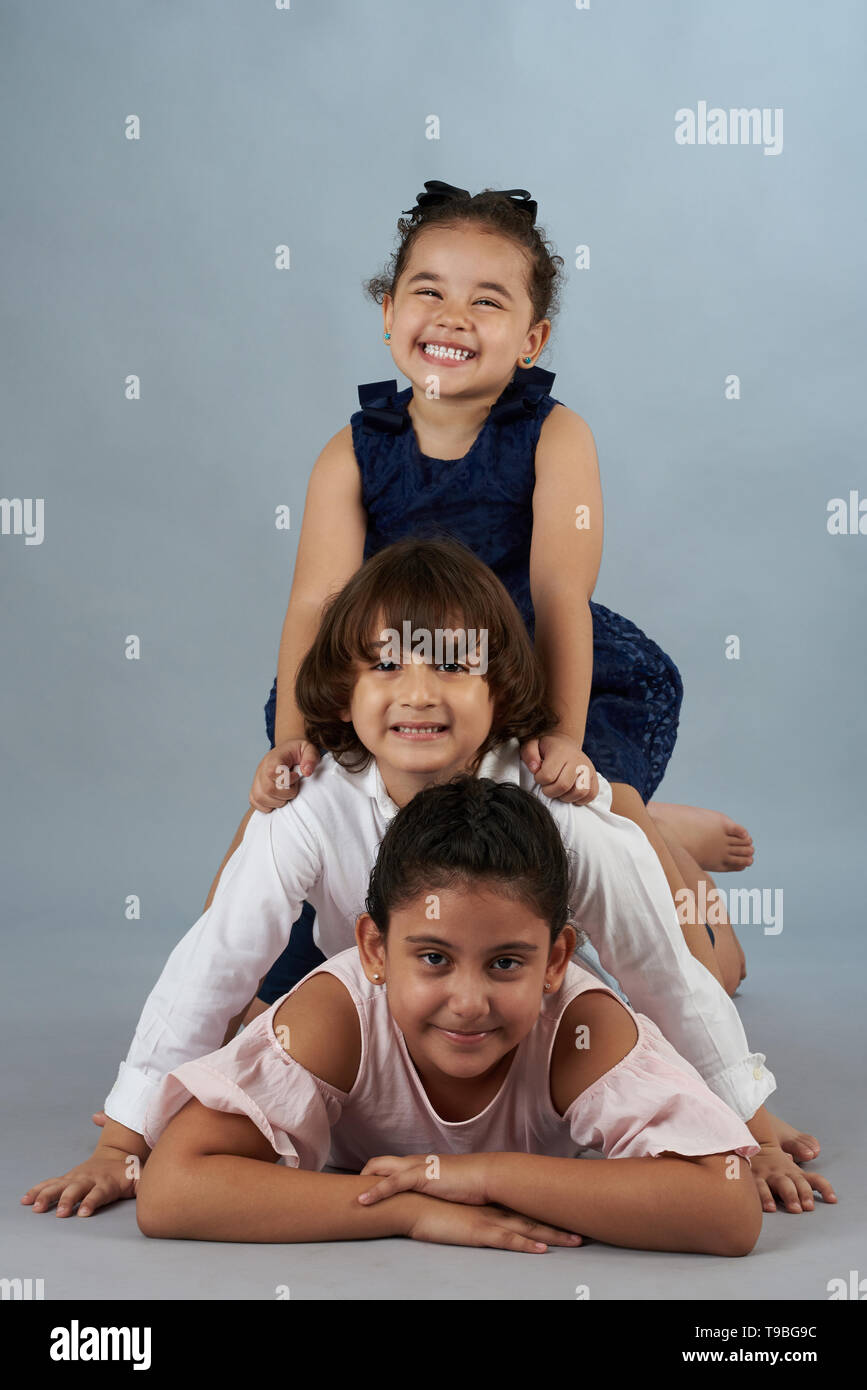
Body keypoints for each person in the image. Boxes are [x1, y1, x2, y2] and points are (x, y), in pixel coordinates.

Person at [23, 539, 834, 1223]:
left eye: (452, 668)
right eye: (386, 667)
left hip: (509, 982)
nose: (418, 694)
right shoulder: (311, 807)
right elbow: (215, 957)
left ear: (499, 690)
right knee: (253, 1003)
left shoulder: (554, 813)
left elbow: (655, 967)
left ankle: (640, 821)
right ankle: (643, 818)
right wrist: (125, 1137)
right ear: (343, 692)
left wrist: (745, 1126)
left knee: (669, 924)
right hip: (390, 984)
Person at [241, 178, 751, 1023]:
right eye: (427, 292)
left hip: (528, 667)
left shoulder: (553, 435)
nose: (452, 317)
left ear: (530, 338)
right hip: (409, 677)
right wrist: (292, 740)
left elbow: (559, 595)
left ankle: (649, 830)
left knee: (584, 827)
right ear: (387, 313)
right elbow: (315, 606)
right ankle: (314, 969)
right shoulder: (353, 452)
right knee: (353, 835)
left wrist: (564, 743)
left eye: (486, 301)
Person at [135, 774, 764, 1256]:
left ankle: (654, 834)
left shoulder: (578, 1027)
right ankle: (650, 831)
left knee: (719, 973)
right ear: (374, 950)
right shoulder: (338, 1014)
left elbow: (727, 1206)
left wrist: (482, 1176)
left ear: (555, 960)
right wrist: (408, 1210)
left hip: (611, 937)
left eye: (506, 963)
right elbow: (172, 1190)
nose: (468, 1003)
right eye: (434, 957)